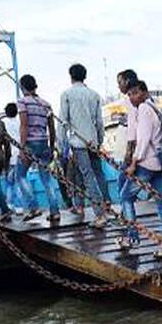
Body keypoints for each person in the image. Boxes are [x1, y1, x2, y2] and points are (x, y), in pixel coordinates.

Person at [117, 81, 162, 256]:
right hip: (161, 164)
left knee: (125, 197)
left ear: (144, 92)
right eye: (129, 94)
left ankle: (132, 237)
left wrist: (133, 163)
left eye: (135, 93)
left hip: (147, 164)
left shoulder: (144, 108)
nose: (132, 97)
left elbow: (143, 140)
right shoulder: (154, 106)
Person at [59, 63, 109, 228]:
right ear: (84, 76)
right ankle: (106, 204)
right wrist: (99, 141)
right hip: (93, 141)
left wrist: (61, 144)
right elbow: (100, 122)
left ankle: (100, 215)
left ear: (71, 76)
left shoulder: (66, 94)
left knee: (87, 176)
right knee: (98, 173)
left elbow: (63, 122)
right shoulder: (94, 95)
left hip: (78, 142)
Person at [16, 74, 63, 222]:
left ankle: (33, 207)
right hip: (44, 143)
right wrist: (51, 147)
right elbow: (52, 128)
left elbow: (24, 125)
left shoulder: (22, 102)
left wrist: (22, 148)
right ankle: (55, 211)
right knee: (46, 179)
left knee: (20, 175)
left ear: (22, 87)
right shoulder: (46, 104)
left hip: (30, 143)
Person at [1, 102, 27, 212]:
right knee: (18, 182)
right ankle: (19, 207)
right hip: (20, 155)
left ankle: (9, 205)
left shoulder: (3, 122)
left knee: (9, 183)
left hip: (8, 156)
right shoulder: (20, 122)